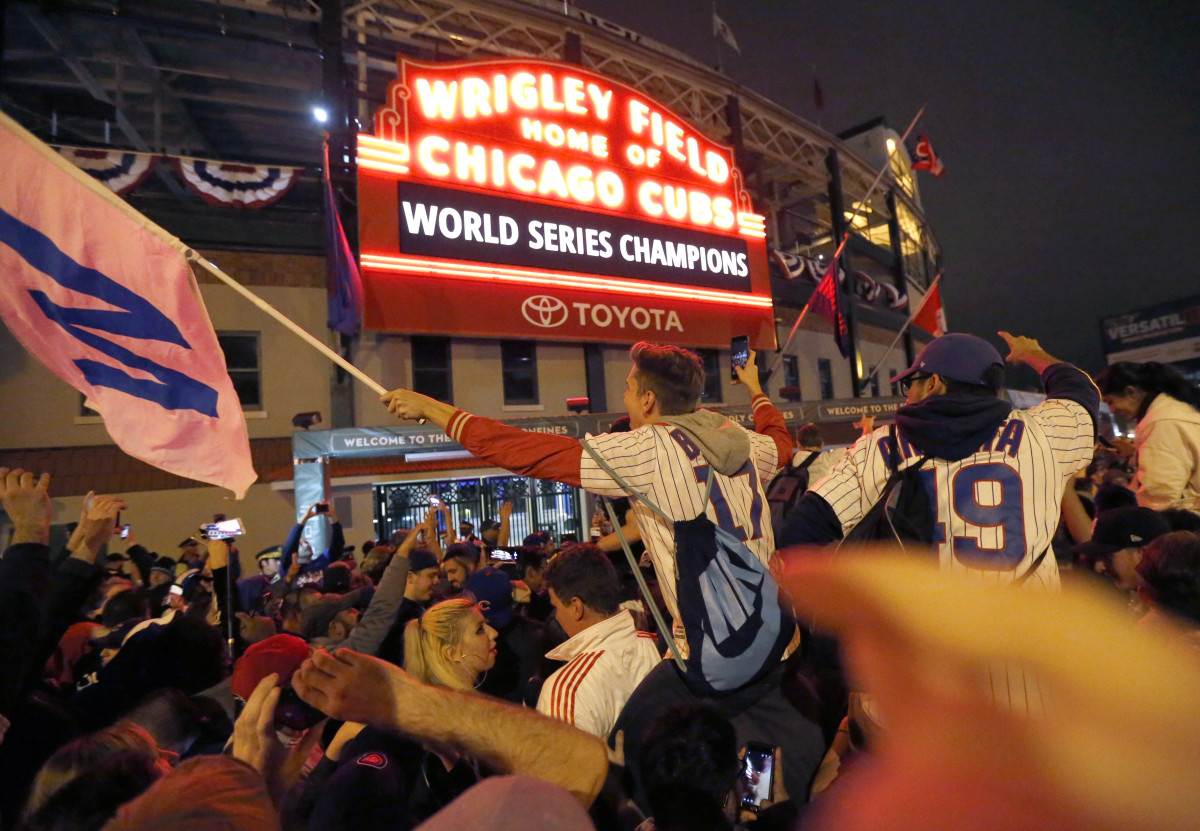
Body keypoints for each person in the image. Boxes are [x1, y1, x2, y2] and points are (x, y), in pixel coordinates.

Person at [383, 342, 824, 802]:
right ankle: (754, 801)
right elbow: (781, 439)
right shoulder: (747, 443)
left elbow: (523, 450)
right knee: (754, 757)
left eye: (630, 390)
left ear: (649, 400)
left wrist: (432, 408)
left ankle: (694, 811)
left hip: (714, 659)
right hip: (776, 643)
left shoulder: (648, 449)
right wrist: (754, 387)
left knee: (640, 742)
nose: (627, 400)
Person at [536, 544, 660, 739]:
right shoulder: (657, 648)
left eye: (556, 606)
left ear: (576, 607)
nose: (556, 616)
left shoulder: (566, 690)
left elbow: (565, 768)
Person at [1095, 361, 1200, 510]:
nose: (1112, 411)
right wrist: (1133, 453)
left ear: (1131, 392)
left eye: (1110, 402)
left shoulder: (1161, 423)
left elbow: (1160, 495)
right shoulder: (1174, 410)